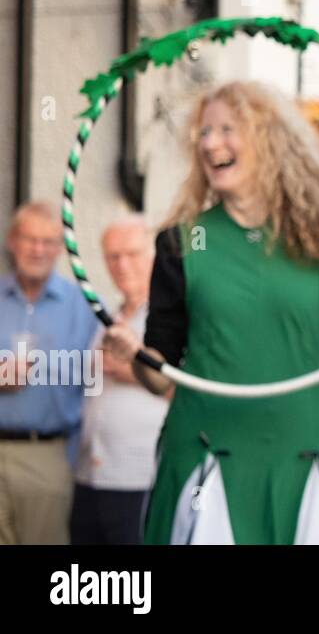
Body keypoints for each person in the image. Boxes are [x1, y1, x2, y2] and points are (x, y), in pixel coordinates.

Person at [104, 81, 319, 544]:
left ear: (269, 139)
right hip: (206, 451)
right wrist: (136, 354)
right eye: (204, 132)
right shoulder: (180, 242)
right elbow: (160, 376)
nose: (211, 142)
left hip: (306, 450)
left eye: (228, 129)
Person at [0, 202, 98, 544]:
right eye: (29, 239)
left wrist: (35, 368)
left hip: (46, 454)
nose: (37, 250)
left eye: (47, 241)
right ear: (12, 241)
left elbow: (94, 375)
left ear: (59, 248)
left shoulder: (81, 305)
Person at [70, 216, 169, 544]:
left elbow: (186, 385)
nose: (122, 264)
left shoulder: (166, 317)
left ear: (152, 256)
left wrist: (129, 368)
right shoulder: (108, 317)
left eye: (131, 253)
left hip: (140, 477)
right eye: (113, 256)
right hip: (91, 473)